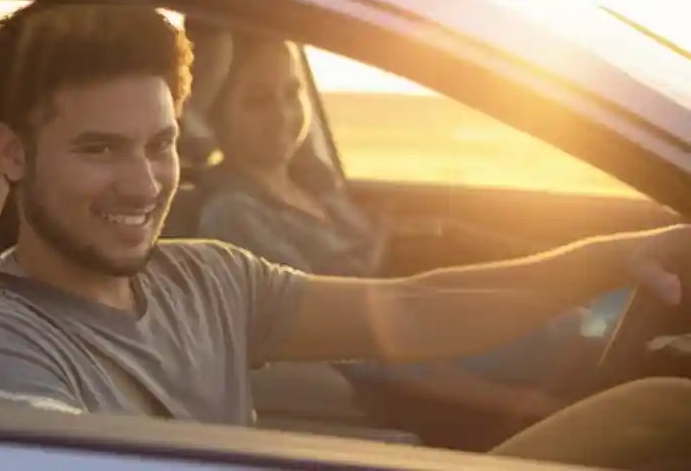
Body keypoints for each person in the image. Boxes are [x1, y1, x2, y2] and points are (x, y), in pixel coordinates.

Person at [0, 1, 691, 468]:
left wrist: (614, 260)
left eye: (160, 143)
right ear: (10, 153)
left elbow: (417, 307)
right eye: (98, 149)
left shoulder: (207, 277)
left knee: (663, 406)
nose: (144, 185)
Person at [193, 34, 605, 431]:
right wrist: (518, 406)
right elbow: (362, 345)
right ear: (216, 115)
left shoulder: (312, 182)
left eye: (291, 92)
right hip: (430, 356)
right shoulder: (233, 215)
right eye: (257, 101)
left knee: (597, 308)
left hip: (439, 315)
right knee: (597, 337)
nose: (283, 114)